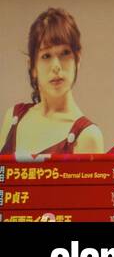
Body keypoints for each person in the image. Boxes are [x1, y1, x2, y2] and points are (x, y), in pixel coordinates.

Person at [1, 8, 104, 157]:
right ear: (32, 66)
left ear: (78, 60)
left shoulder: (87, 136)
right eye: (46, 55)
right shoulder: (13, 118)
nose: (56, 66)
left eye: (65, 53)